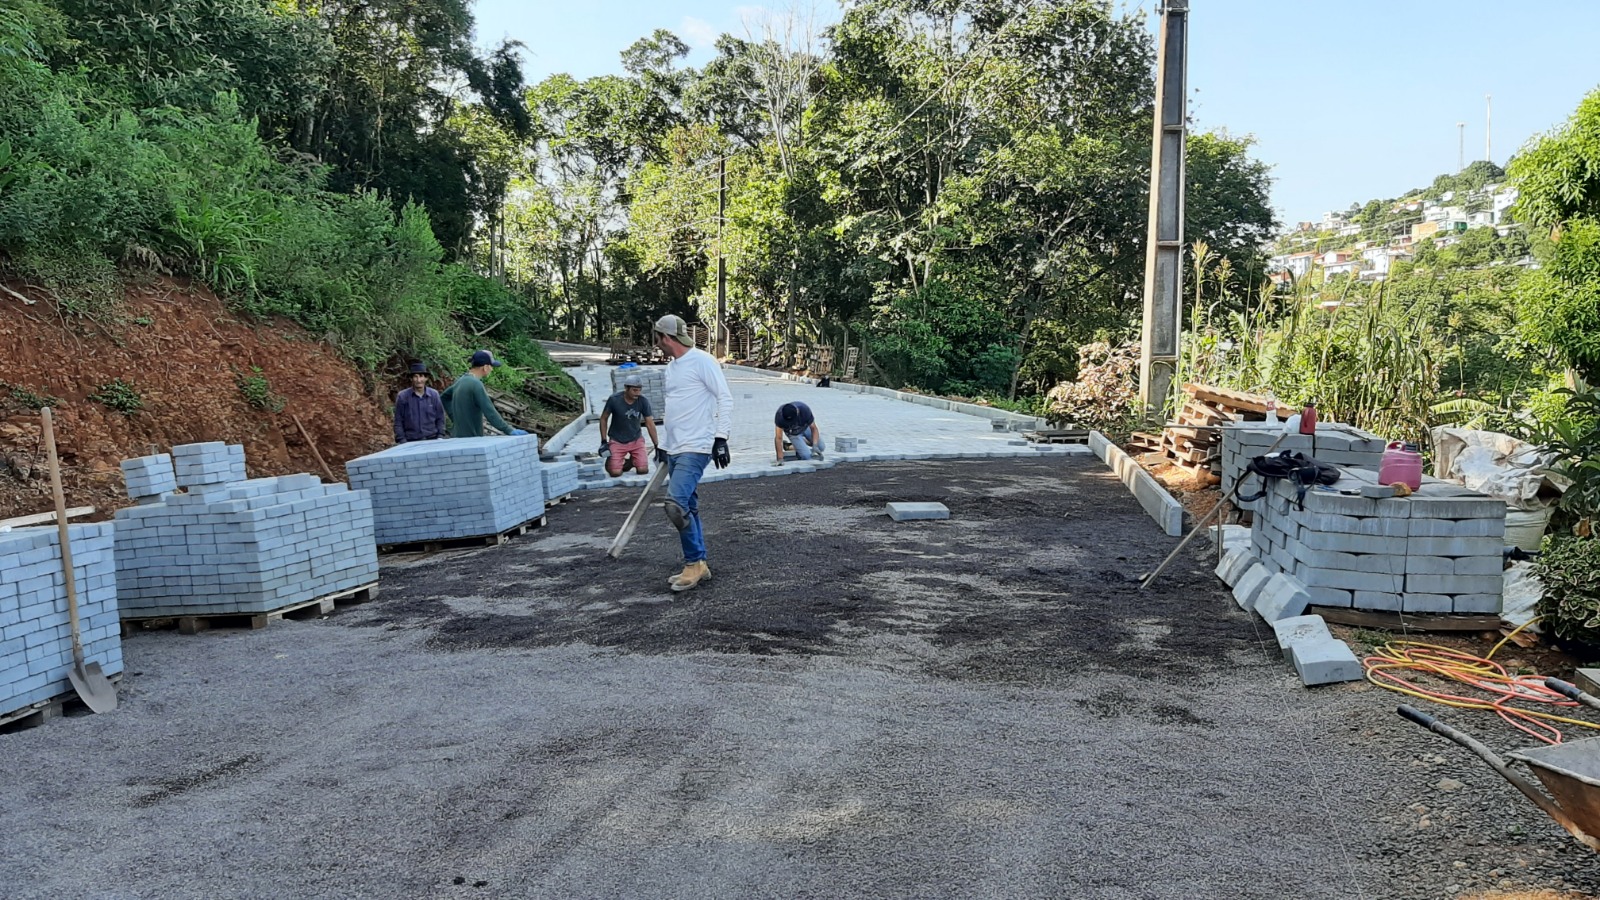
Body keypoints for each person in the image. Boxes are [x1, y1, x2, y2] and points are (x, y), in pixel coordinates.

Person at [653, 314, 732, 592]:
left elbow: (725, 396)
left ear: (665, 337)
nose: (658, 343)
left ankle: (692, 563)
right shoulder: (672, 368)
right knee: (689, 506)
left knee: (675, 505)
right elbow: (673, 408)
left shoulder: (703, 361)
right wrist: (664, 444)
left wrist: (721, 437)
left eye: (658, 338)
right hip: (676, 447)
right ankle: (700, 564)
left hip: (696, 446)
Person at [440, 349, 528, 439]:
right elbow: (490, 412)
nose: (492, 369)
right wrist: (509, 430)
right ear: (485, 367)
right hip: (471, 439)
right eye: (491, 366)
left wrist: (454, 418)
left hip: (457, 437)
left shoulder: (460, 381)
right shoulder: (476, 384)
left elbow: (444, 397)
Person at [599, 374, 661, 477]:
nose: (637, 393)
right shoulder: (614, 400)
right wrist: (604, 441)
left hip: (636, 439)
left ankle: (632, 461)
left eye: (639, 390)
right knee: (615, 473)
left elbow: (650, 423)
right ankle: (611, 461)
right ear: (626, 388)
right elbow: (603, 418)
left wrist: (656, 445)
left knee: (643, 470)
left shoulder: (643, 401)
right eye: (634, 390)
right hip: (617, 440)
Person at [394, 362, 447, 443]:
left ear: (426, 378)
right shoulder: (403, 397)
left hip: (432, 439)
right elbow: (398, 421)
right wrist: (402, 440)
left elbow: (440, 418)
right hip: (410, 441)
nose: (419, 380)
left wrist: (440, 436)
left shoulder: (434, 395)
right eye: (415, 376)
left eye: (421, 376)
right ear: (411, 379)